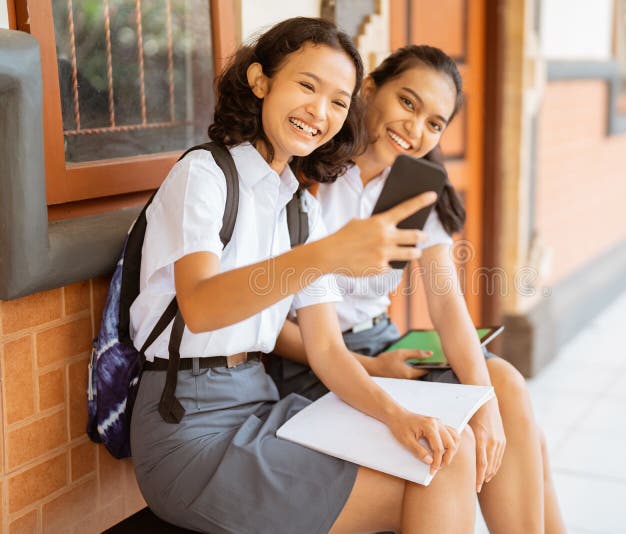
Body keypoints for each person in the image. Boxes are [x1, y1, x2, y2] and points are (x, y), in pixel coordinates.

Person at [129, 19, 478, 534]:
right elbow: (201, 306)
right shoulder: (203, 175)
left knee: (447, 446)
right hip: (189, 427)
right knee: (432, 479)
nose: (320, 112)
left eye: (338, 101)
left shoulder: (297, 207)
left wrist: (398, 416)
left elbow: (329, 352)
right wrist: (330, 254)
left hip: (260, 402)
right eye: (307, 86)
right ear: (260, 81)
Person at [270, 45, 566, 534]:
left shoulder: (417, 188)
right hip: (313, 363)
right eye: (408, 103)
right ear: (369, 90)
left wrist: (484, 407)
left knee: (507, 391)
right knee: (527, 440)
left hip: (387, 345)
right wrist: (370, 366)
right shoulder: (307, 174)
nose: (415, 129)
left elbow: (448, 308)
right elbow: (267, 323)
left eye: (434, 122)